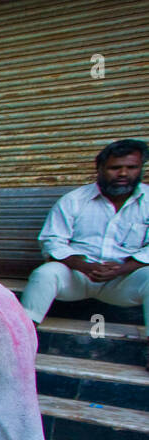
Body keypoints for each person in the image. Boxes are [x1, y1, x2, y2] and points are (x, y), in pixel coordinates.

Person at [20, 138, 149, 365]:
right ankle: (21, 340)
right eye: (114, 167)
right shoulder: (74, 201)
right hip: (78, 276)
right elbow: (52, 241)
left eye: (131, 167)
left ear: (141, 168)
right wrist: (84, 266)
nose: (122, 173)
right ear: (99, 169)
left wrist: (122, 269)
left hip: (123, 281)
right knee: (46, 273)